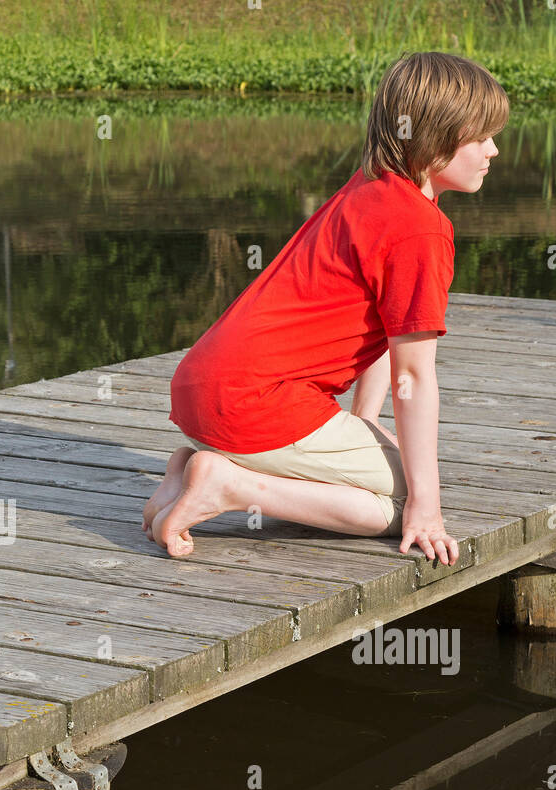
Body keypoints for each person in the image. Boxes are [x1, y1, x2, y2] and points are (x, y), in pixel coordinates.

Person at [142, 51, 508, 566]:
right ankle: (225, 485)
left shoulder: (369, 189)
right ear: (433, 139)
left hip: (206, 389)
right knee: (402, 501)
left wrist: (362, 423)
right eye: (481, 137)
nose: (493, 150)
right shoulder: (420, 229)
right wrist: (426, 509)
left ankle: (189, 470)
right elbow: (415, 378)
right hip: (257, 402)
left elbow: (384, 327)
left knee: (400, 460)